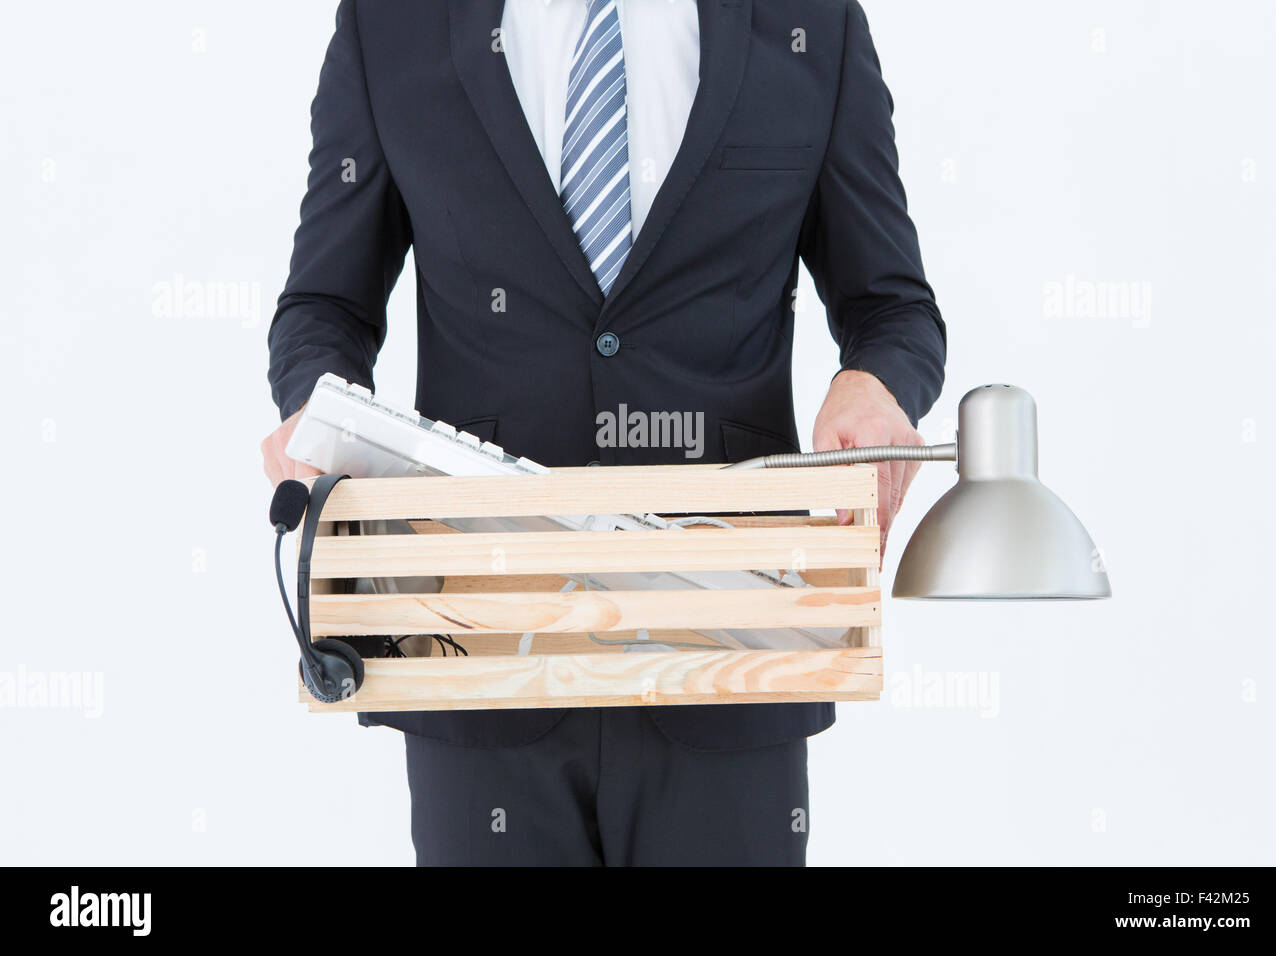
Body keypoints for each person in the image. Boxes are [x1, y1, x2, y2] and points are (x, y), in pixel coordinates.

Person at [262, 0, 945, 866]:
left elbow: (892, 306)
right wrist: (317, 408)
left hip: (733, 654)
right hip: (471, 648)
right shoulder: (391, 22)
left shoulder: (811, 22)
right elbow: (328, 302)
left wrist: (875, 384)